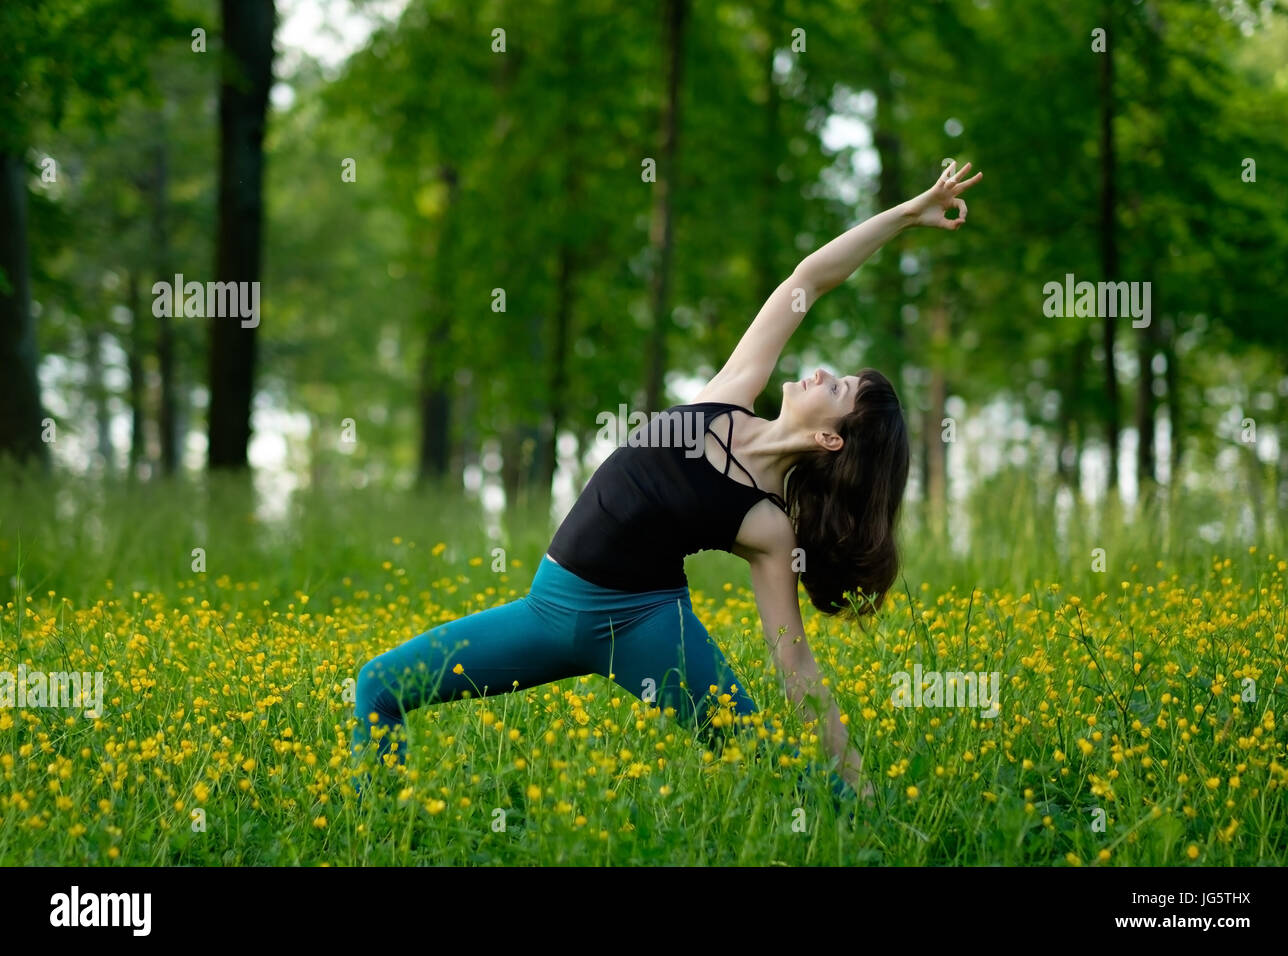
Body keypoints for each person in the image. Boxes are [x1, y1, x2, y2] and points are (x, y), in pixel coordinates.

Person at [350, 161, 983, 816]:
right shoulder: (731, 394)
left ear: (832, 441)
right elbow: (808, 280)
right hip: (548, 611)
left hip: (647, 626)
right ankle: (383, 832)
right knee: (379, 686)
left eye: (840, 389)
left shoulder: (768, 528)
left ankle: (861, 823)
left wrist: (852, 772)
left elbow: (795, 665)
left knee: (774, 769)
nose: (822, 372)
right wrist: (907, 214)